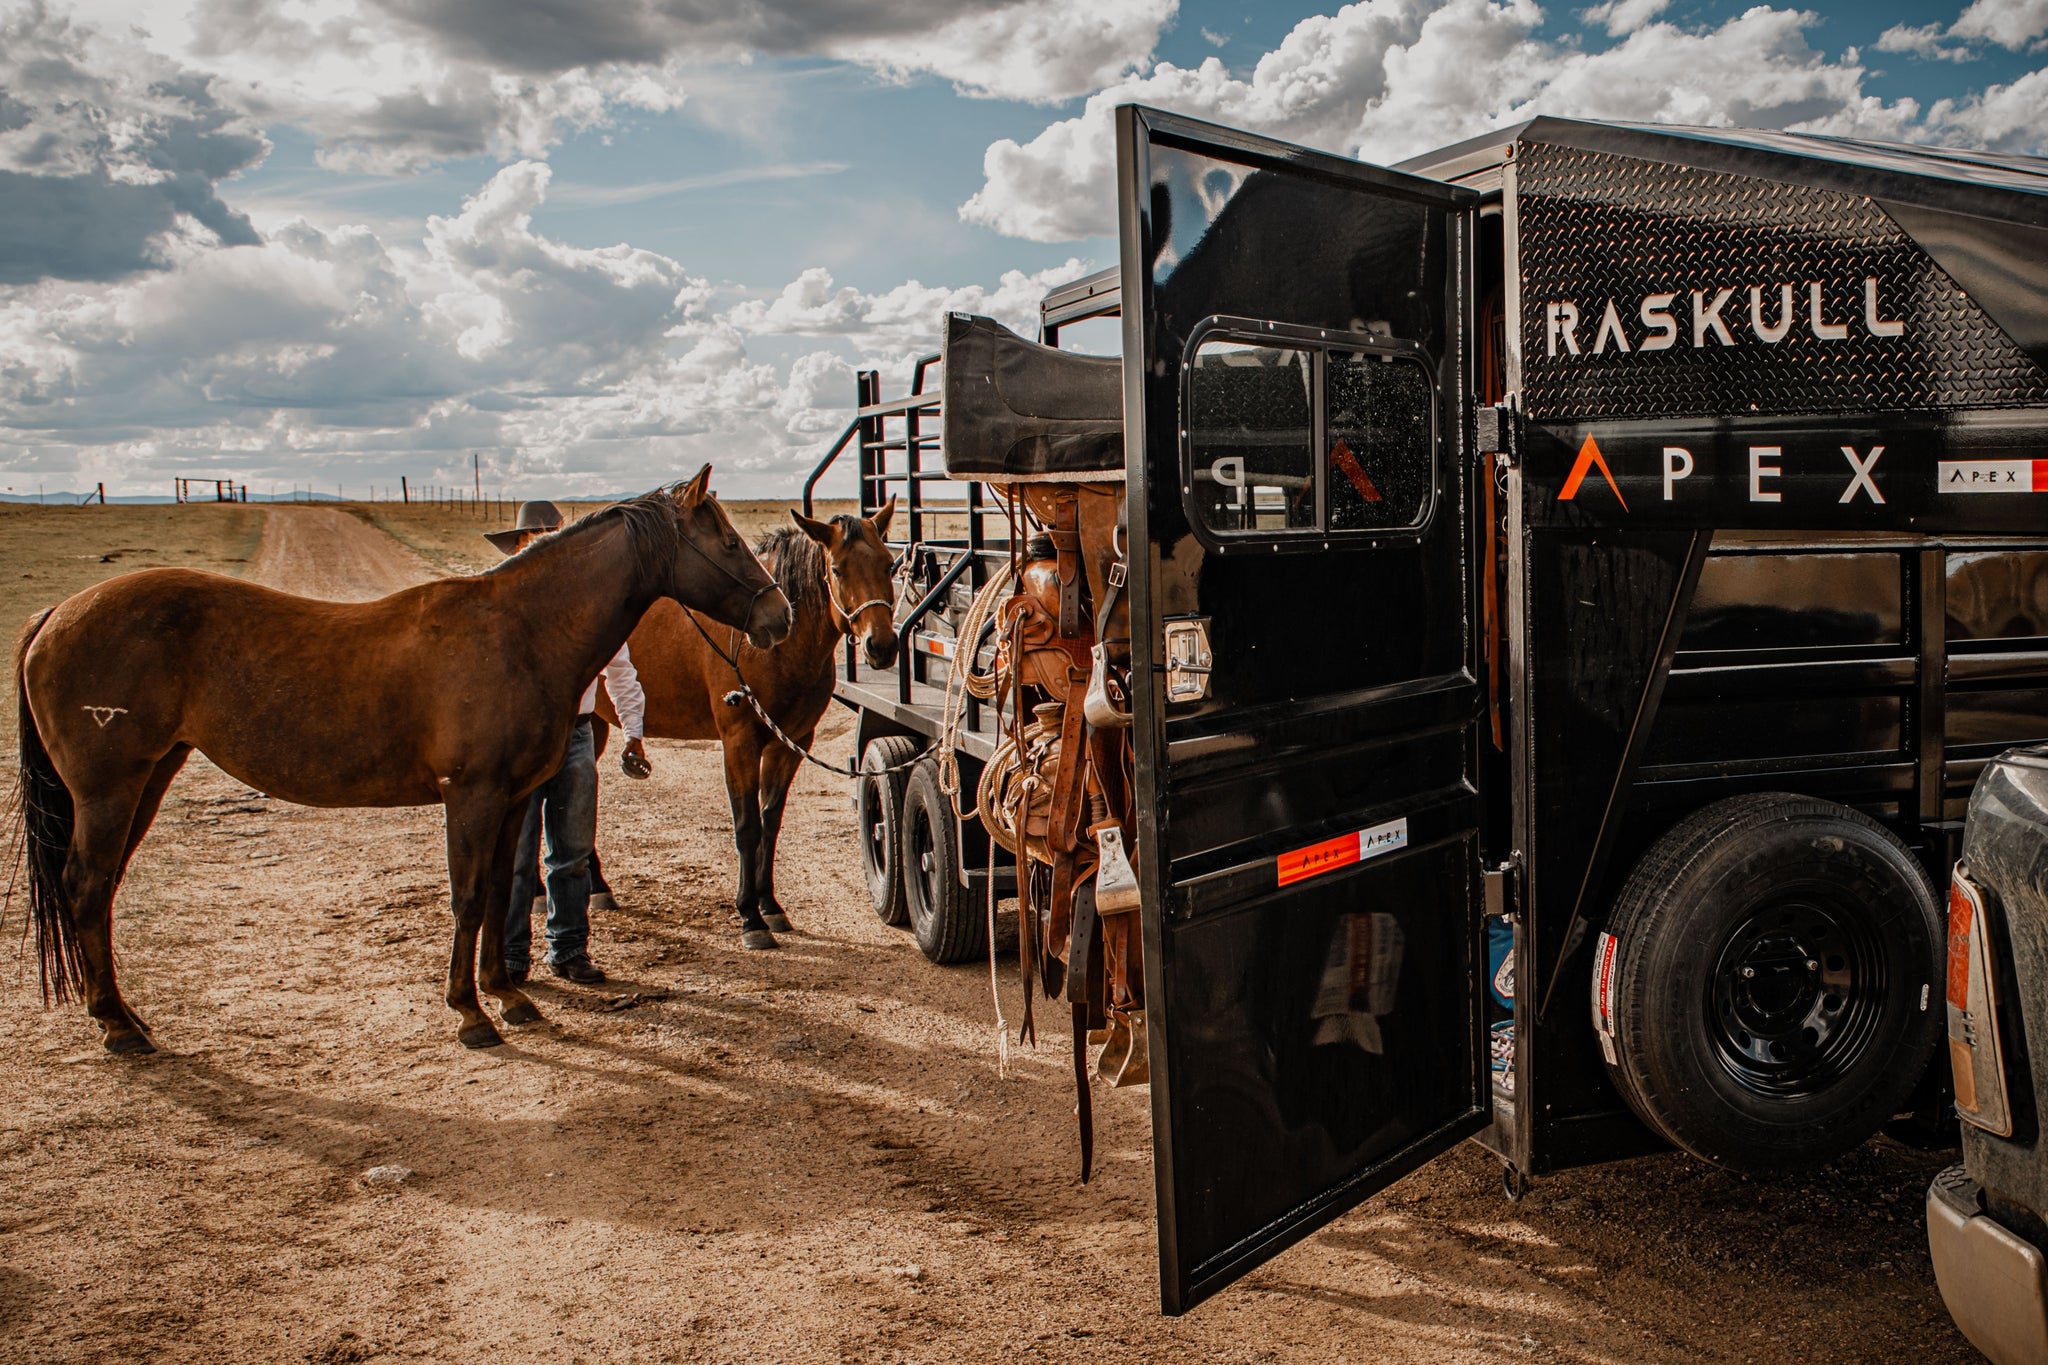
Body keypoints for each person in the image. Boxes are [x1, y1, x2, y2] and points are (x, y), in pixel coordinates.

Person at [485, 499, 649, 985]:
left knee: (572, 853)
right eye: (530, 541)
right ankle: (513, 954)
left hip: (575, 733)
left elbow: (619, 669)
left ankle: (568, 949)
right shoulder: (504, 606)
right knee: (518, 854)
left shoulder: (589, 606)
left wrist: (633, 731)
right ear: (518, 548)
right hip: (520, 735)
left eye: (547, 539)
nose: (538, 548)